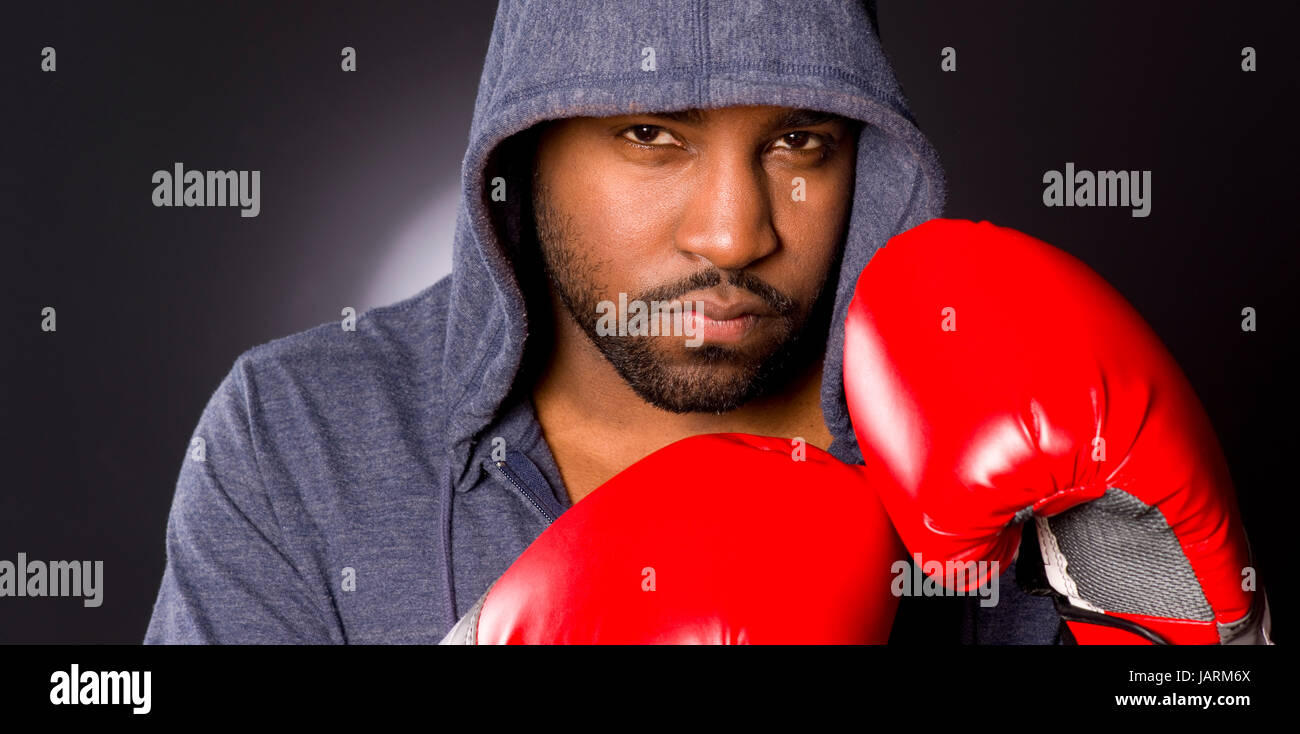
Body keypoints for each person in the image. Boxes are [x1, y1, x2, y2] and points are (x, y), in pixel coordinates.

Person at [144, 0, 1084, 644]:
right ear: (529, 147)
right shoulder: (298, 434)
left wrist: (1189, 624)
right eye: (651, 135)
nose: (734, 232)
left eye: (799, 141)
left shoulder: (1009, 434)